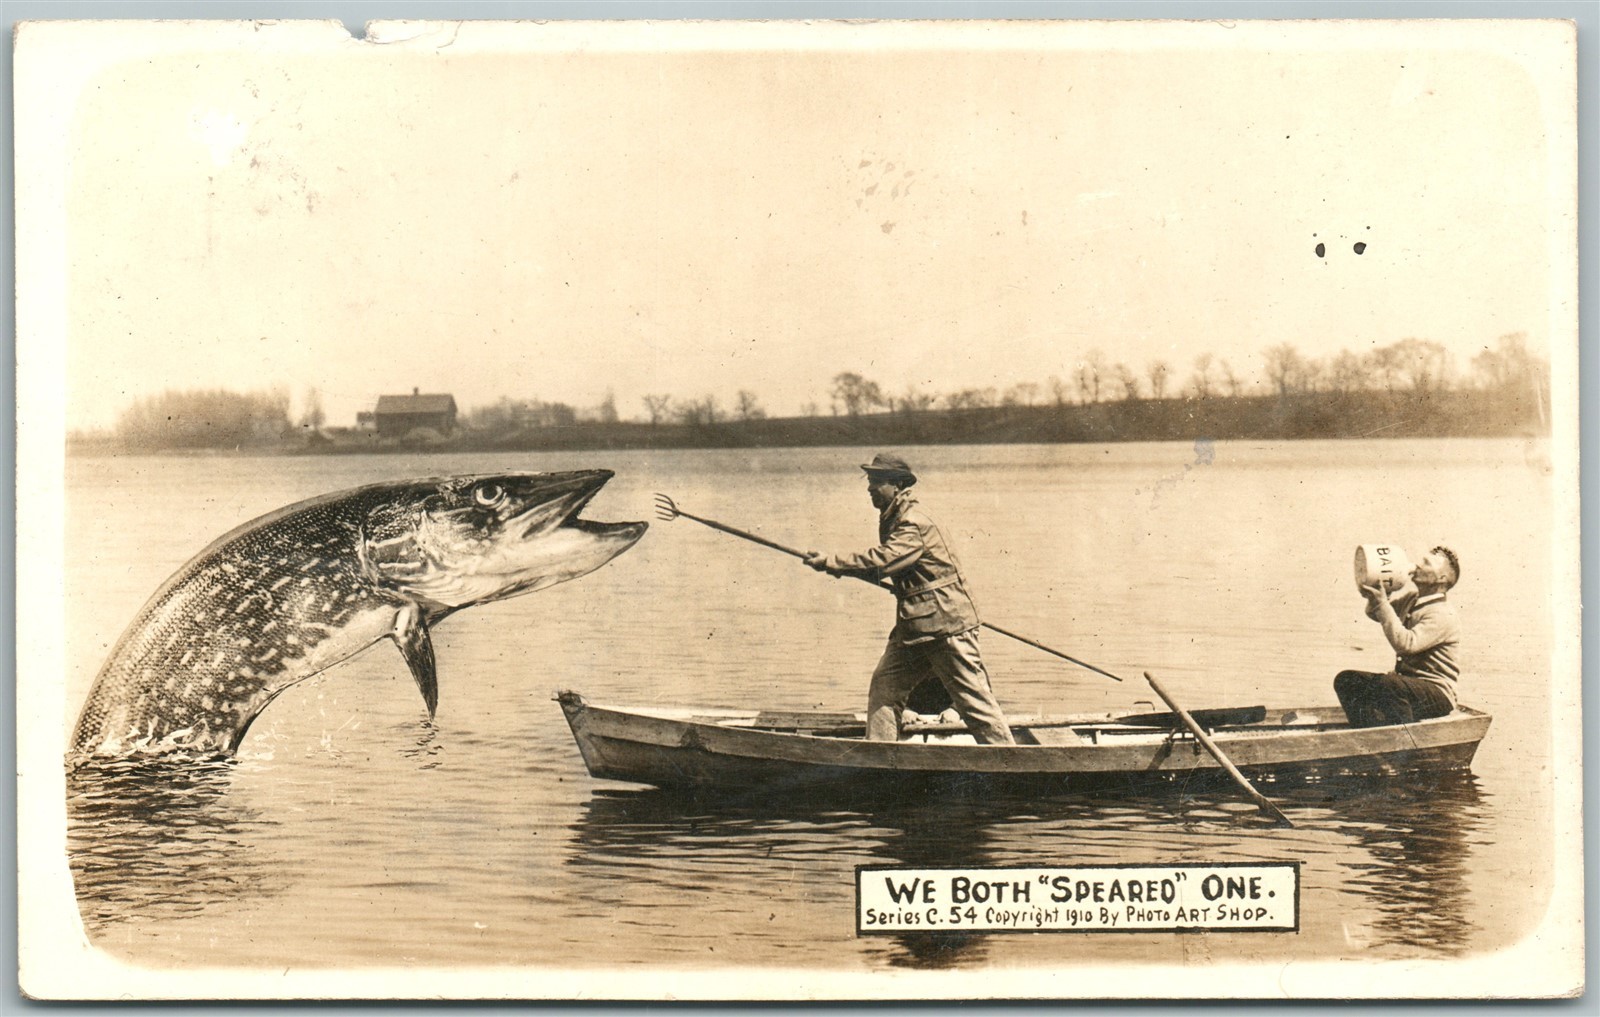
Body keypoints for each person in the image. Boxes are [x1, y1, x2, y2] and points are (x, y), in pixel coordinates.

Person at [803, 453, 1015, 745]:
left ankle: (1005, 758)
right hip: (916, 625)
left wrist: (832, 562)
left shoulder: (914, 523)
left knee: (973, 700)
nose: (870, 488)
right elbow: (897, 566)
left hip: (945, 625)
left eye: (876, 482)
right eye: (870, 481)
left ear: (897, 485)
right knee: (885, 686)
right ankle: (879, 754)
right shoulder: (897, 517)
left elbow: (884, 562)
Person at [1334, 546, 1463, 728]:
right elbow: (1376, 613)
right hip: (1409, 689)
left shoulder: (1443, 614)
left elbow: (1406, 644)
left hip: (1437, 694)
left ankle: (1403, 744)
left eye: (1426, 563)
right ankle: (1366, 734)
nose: (1418, 564)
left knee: (1391, 686)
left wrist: (1382, 603)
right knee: (1346, 680)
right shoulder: (1412, 599)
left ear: (1441, 578)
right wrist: (1378, 596)